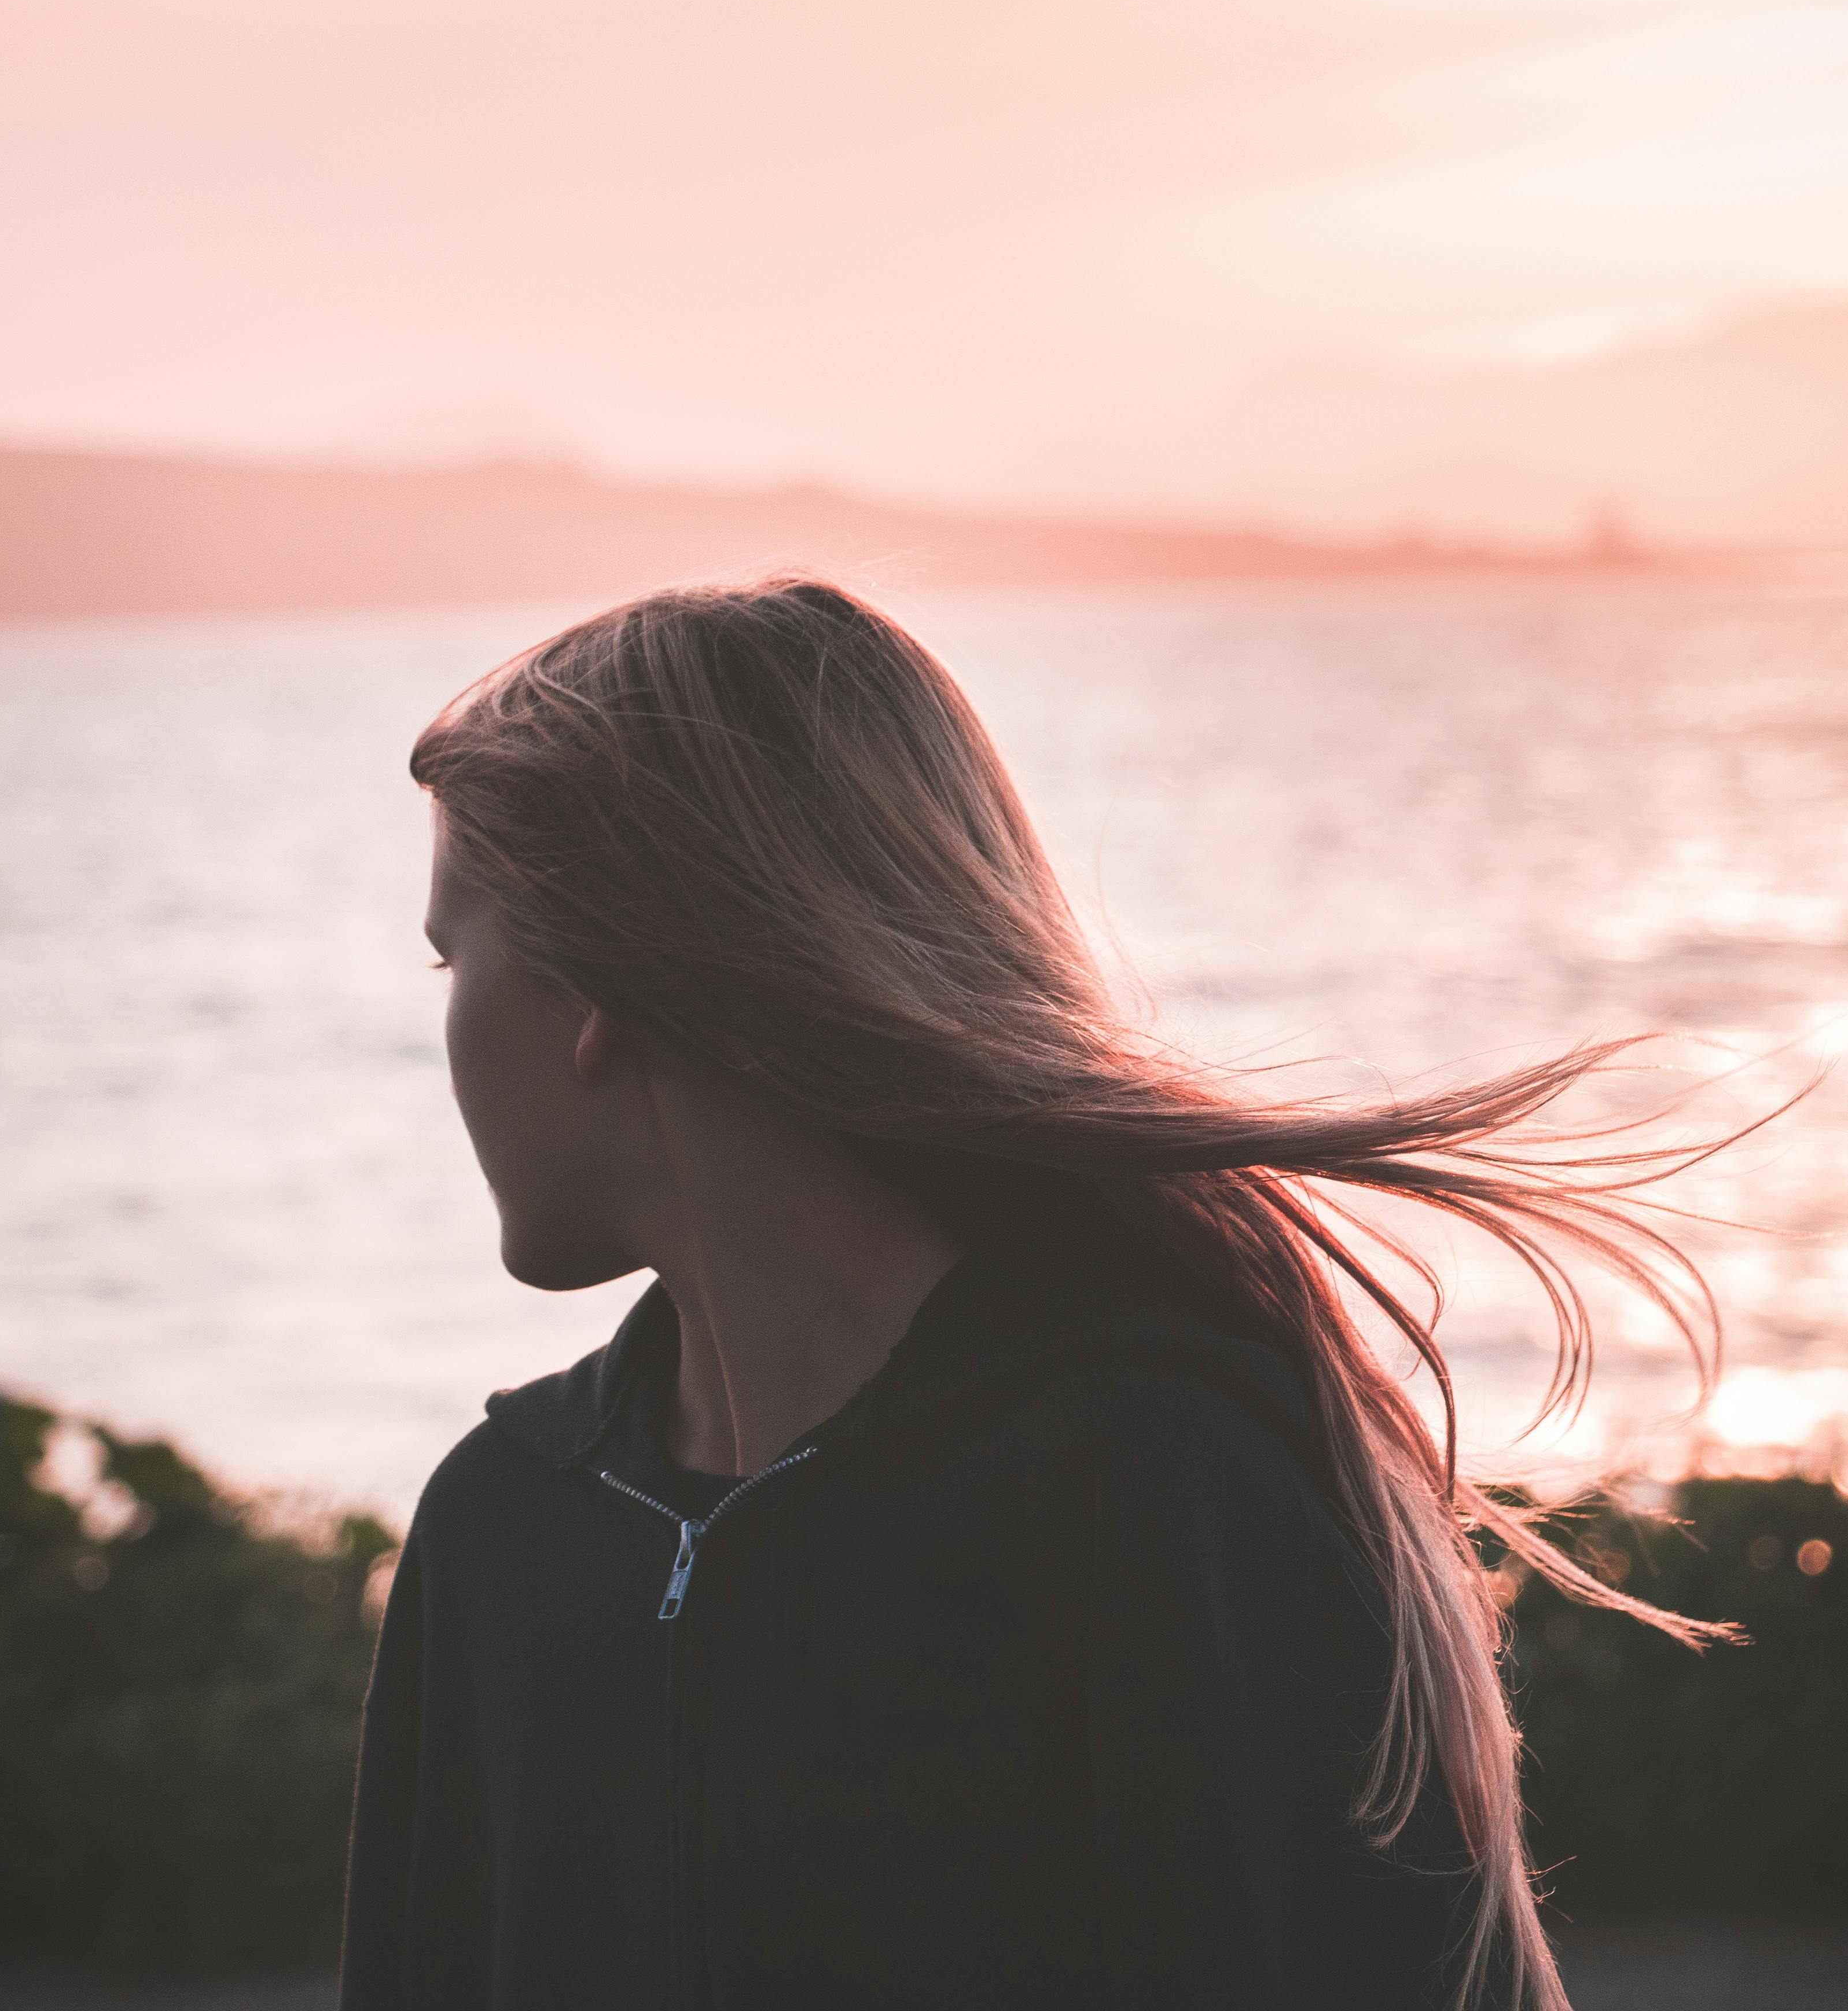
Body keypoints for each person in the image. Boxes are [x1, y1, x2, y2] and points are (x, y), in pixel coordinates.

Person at [341, 578, 1731, 2011]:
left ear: (599, 991)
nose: (439, 1019)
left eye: (454, 949)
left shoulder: (1156, 1487)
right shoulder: (505, 1528)